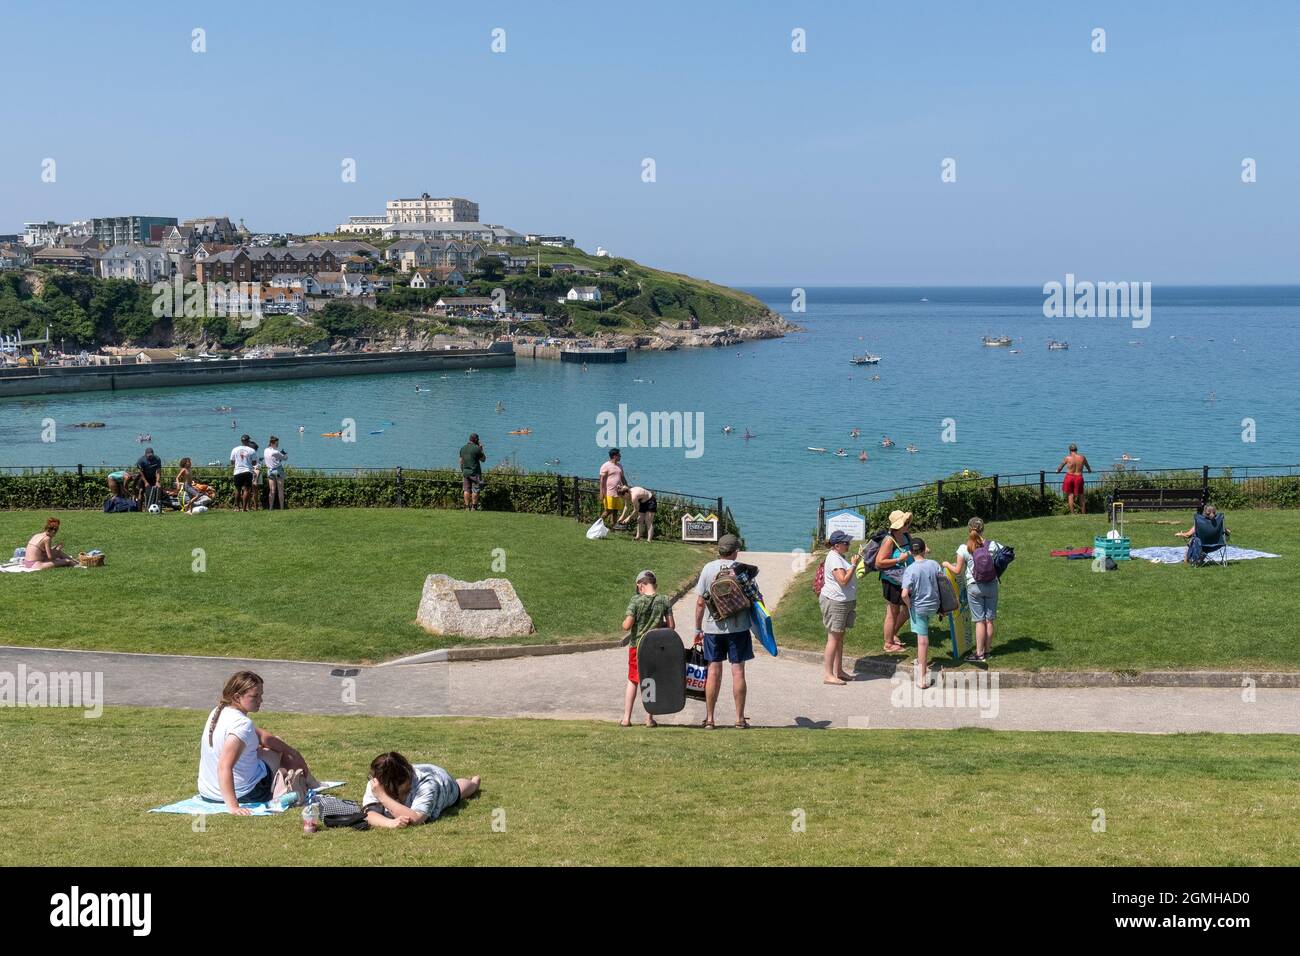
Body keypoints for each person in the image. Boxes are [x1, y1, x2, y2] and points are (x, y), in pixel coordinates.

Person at [197, 671, 318, 814]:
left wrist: (291, 750)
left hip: (208, 794)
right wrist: (234, 807)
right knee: (275, 750)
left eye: (261, 695)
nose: (261, 700)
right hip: (246, 794)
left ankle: (306, 780)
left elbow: (262, 736)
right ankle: (299, 784)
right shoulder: (242, 724)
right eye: (255, 696)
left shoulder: (218, 712)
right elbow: (224, 766)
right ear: (237, 697)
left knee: (272, 745)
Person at [694, 533, 753, 729]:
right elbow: (755, 599)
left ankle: (710, 719)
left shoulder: (708, 568)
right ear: (735, 551)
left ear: (719, 550)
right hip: (739, 628)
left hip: (713, 628)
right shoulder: (742, 570)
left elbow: (701, 603)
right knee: (738, 672)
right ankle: (739, 719)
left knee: (713, 672)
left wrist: (697, 628)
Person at [362, 751, 480, 829]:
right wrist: (390, 823)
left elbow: (416, 818)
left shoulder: (427, 785)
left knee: (458, 791)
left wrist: (382, 797)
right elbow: (369, 813)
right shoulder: (377, 781)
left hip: (441, 781)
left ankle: (474, 782)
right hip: (414, 771)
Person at [620, 569, 675, 727]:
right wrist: (658, 625)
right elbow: (671, 626)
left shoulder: (636, 601)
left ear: (640, 585)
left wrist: (626, 623)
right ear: (654, 584)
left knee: (633, 680)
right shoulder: (664, 600)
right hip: (655, 648)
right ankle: (649, 718)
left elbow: (627, 625)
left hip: (636, 646)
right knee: (651, 680)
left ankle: (626, 718)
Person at [943, 516, 1002, 662]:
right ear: (983, 529)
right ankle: (987, 652)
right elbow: (1006, 556)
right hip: (992, 585)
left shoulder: (964, 548)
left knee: (979, 621)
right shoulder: (993, 545)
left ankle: (979, 654)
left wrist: (946, 564)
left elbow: (957, 570)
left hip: (974, 587)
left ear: (969, 529)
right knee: (989, 620)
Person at [820, 530, 862, 684]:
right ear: (837, 545)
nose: (848, 544)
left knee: (839, 637)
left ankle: (838, 671)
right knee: (833, 637)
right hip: (835, 602)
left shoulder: (839, 556)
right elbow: (843, 580)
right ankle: (829, 675)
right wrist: (853, 565)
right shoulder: (835, 559)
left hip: (844, 601)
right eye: (846, 543)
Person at [900, 538, 944, 689]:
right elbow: (942, 583)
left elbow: (904, 594)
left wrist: (909, 605)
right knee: (923, 637)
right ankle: (920, 661)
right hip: (935, 605)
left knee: (922, 641)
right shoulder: (934, 564)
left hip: (919, 607)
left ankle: (922, 678)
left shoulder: (910, 569)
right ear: (925, 549)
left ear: (911, 552)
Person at [875, 510, 914, 652]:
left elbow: (912, 549)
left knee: (908, 610)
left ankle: (892, 635)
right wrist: (898, 559)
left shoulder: (906, 535)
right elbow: (879, 563)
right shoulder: (889, 541)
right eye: (906, 522)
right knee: (893, 612)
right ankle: (888, 643)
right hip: (892, 581)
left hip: (906, 578)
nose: (908, 524)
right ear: (899, 525)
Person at [1055, 443, 1092, 515]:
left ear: (1070, 450)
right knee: (1081, 495)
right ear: (1076, 450)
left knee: (1070, 495)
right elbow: (1088, 467)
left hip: (1069, 477)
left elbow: (1060, 467)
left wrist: (1057, 471)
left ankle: (1072, 513)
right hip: (1079, 477)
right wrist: (1089, 471)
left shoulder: (1067, 458)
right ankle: (1083, 513)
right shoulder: (1082, 457)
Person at [598, 449, 626, 528]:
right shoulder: (605, 465)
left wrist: (627, 487)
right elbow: (601, 481)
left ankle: (613, 526)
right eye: (619, 455)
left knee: (616, 510)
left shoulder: (619, 466)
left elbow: (623, 478)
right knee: (608, 510)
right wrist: (601, 492)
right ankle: (598, 523)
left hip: (618, 492)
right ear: (614, 456)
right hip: (608, 493)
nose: (620, 456)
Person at [459, 433, 486, 510]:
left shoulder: (463, 448)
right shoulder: (476, 449)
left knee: (466, 490)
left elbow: (460, 462)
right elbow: (483, 459)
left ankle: (467, 507)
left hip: (465, 472)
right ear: (476, 440)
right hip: (475, 473)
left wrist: (463, 471)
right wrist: (481, 449)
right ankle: (474, 507)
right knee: (476, 490)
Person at [230, 434, 256, 512]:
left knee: (237, 490)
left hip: (237, 471)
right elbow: (254, 462)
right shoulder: (251, 450)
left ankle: (237, 507)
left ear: (241, 441)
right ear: (248, 441)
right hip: (247, 471)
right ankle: (244, 508)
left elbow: (232, 461)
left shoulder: (235, 449)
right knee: (246, 490)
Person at [263, 436, 288, 510]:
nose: (278, 444)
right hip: (278, 470)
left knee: (272, 490)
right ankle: (282, 508)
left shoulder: (266, 450)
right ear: (273, 443)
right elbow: (285, 458)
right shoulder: (276, 452)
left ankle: (270, 507)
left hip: (270, 470)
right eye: (277, 443)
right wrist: (284, 454)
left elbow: (273, 459)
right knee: (280, 490)